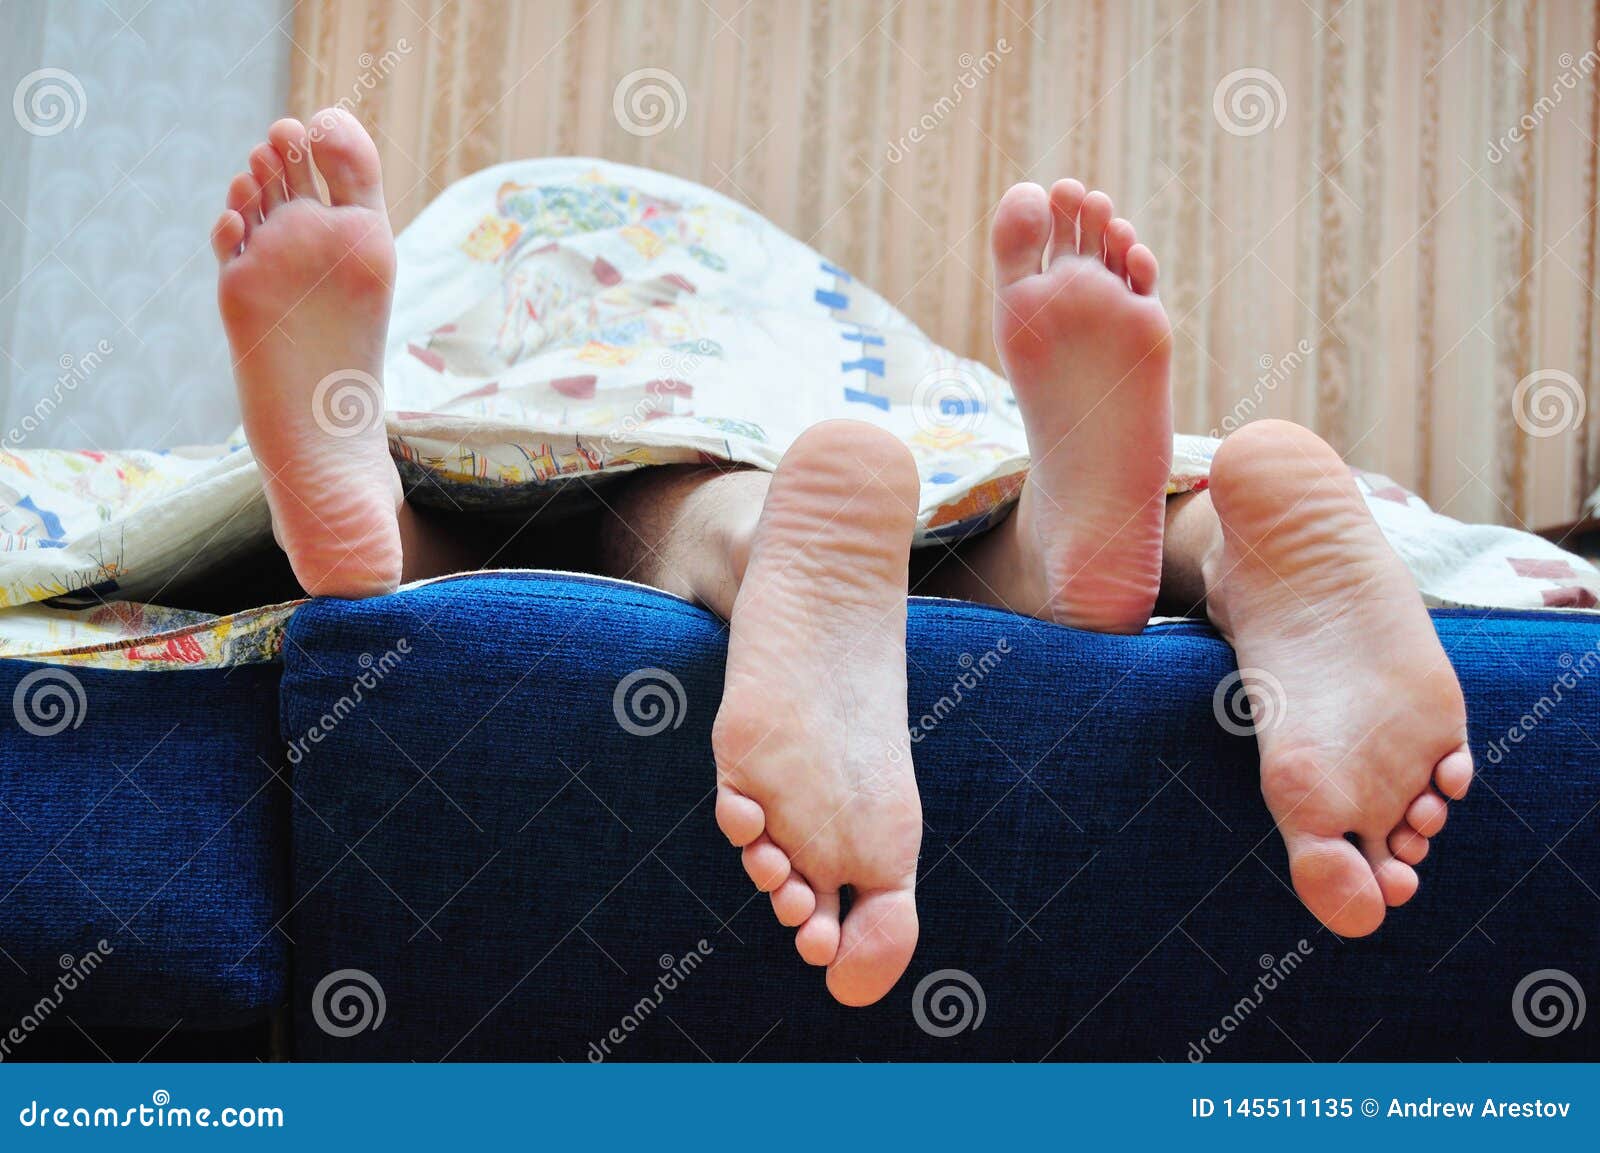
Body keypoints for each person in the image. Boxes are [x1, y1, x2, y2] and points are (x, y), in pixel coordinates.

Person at [212, 108, 1472, 1008]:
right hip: (916, 424)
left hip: (661, 424)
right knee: (984, 473)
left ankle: (427, 503)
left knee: (621, 488)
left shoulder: (513, 245)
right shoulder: (828, 326)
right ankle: (1198, 541)